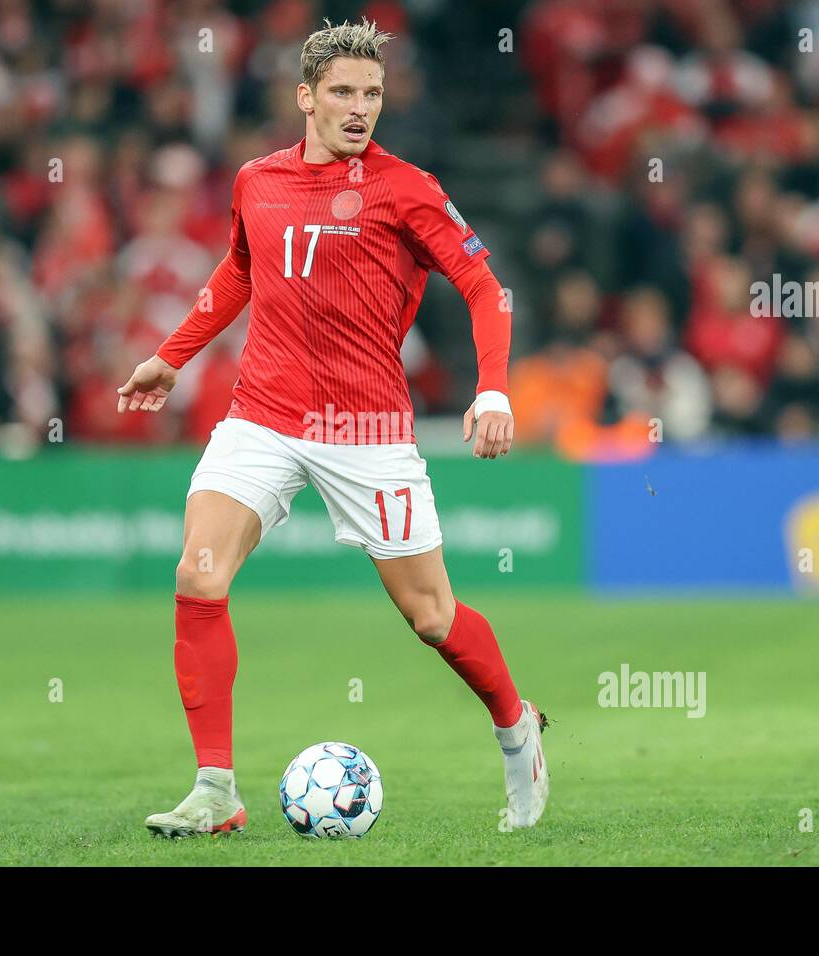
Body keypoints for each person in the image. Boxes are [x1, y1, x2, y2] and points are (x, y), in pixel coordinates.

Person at [117, 18, 548, 838]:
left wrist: (493, 390)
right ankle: (215, 790)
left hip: (367, 425)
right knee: (198, 575)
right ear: (305, 97)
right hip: (264, 414)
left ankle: (514, 725)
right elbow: (240, 270)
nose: (360, 108)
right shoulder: (257, 181)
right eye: (344, 93)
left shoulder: (406, 187)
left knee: (431, 617)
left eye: (373, 94)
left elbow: (487, 288)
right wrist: (171, 356)